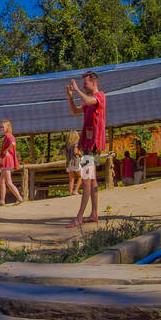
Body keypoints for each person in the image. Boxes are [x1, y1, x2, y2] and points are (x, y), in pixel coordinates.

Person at [66, 71, 106, 228]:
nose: (83, 86)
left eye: (85, 84)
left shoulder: (100, 96)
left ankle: (79, 217)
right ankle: (94, 213)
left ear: (94, 83)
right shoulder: (88, 103)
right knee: (92, 180)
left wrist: (77, 90)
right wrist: (70, 96)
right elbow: (75, 111)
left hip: (93, 146)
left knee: (87, 180)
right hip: (88, 146)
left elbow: (89, 100)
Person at [0, 119, 24, 204]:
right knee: (2, 180)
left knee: (8, 182)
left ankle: (19, 198)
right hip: (6, 159)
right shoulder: (6, 136)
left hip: (7, 160)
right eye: (0, 127)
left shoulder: (9, 136)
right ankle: (2, 200)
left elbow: (13, 144)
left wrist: (6, 151)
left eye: (2, 127)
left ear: (7, 127)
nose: (1, 128)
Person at [63, 130, 83, 196]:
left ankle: (70, 192)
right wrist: (80, 153)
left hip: (69, 163)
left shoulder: (67, 144)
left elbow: (64, 153)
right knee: (81, 176)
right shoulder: (76, 143)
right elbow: (75, 151)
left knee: (71, 179)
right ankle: (75, 190)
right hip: (75, 162)